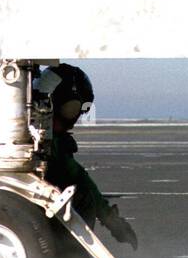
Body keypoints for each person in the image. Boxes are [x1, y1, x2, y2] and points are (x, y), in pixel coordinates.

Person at [37, 63, 137, 248]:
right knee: (82, 199)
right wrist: (112, 221)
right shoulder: (49, 145)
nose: (80, 115)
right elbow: (82, 181)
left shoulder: (50, 141)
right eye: (78, 108)